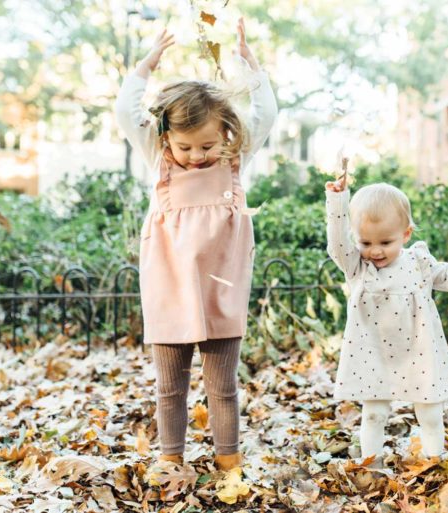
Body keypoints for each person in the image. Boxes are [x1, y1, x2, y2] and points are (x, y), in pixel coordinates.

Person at [114, 18, 277, 471]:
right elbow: (126, 112)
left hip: (221, 291)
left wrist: (252, 66)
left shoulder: (234, 159)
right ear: (167, 137)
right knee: (170, 387)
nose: (196, 156)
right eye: (185, 147)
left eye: (206, 145)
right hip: (169, 290)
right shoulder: (158, 158)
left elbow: (266, 114)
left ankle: (229, 462)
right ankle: (171, 460)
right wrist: (145, 66)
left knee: (223, 387)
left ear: (225, 132)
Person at [324, 175, 448, 465]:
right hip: (374, 353)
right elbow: (336, 244)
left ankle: (434, 461)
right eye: (365, 242)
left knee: (430, 414)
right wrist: (338, 200)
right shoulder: (357, 266)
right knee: (373, 414)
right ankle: (372, 465)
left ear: (406, 234)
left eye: (386, 242)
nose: (375, 250)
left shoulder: (419, 263)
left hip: (418, 352)